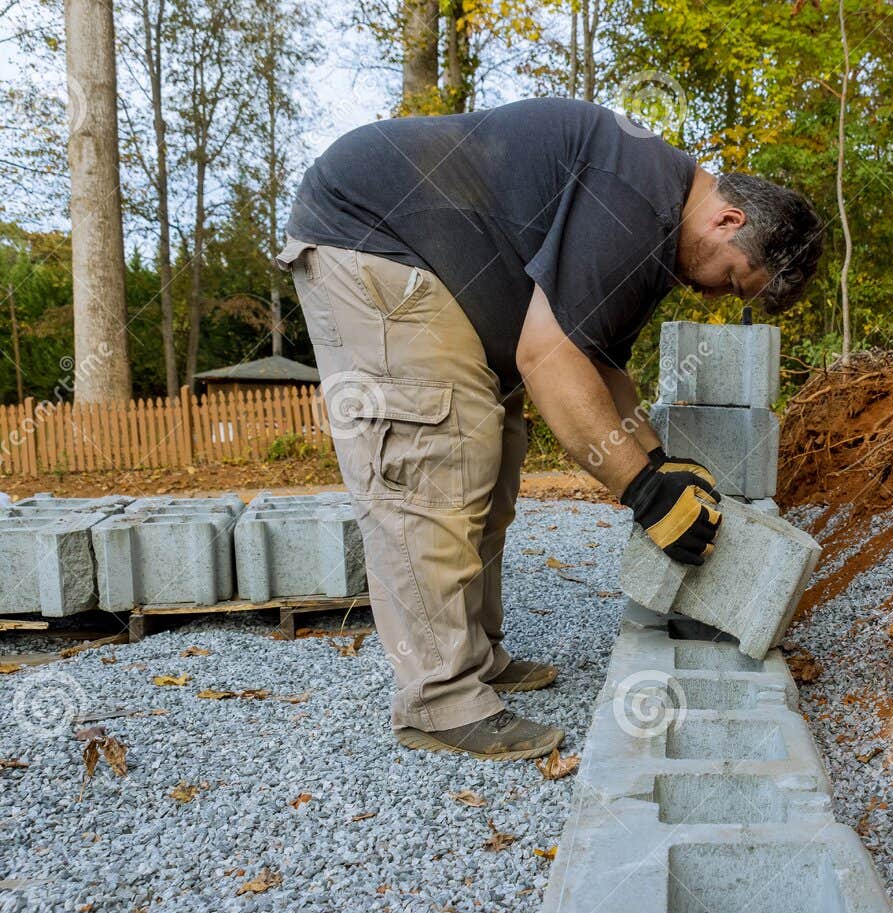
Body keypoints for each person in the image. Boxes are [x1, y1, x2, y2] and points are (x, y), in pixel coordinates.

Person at [278, 97, 823, 761]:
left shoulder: (651, 222)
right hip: (373, 239)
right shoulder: (637, 195)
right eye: (733, 280)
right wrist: (643, 492)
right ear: (728, 219)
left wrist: (660, 464)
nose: (713, 295)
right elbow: (548, 357)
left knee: (494, 456)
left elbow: (597, 367)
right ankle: (439, 698)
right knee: (437, 462)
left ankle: (472, 655)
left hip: (437, 271)